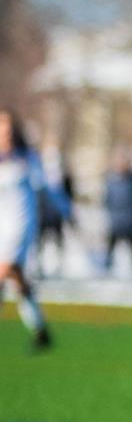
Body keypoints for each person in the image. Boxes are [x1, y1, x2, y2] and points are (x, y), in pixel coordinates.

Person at [0, 110, 61, 349]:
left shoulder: (26, 158)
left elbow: (48, 188)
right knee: (18, 281)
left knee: (4, 271)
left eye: (6, 128)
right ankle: (40, 330)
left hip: (20, 225)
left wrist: (64, 210)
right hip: (1, 225)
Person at [101, 151, 132, 277]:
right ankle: (107, 271)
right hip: (115, 222)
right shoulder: (110, 181)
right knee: (110, 250)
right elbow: (106, 200)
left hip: (130, 221)